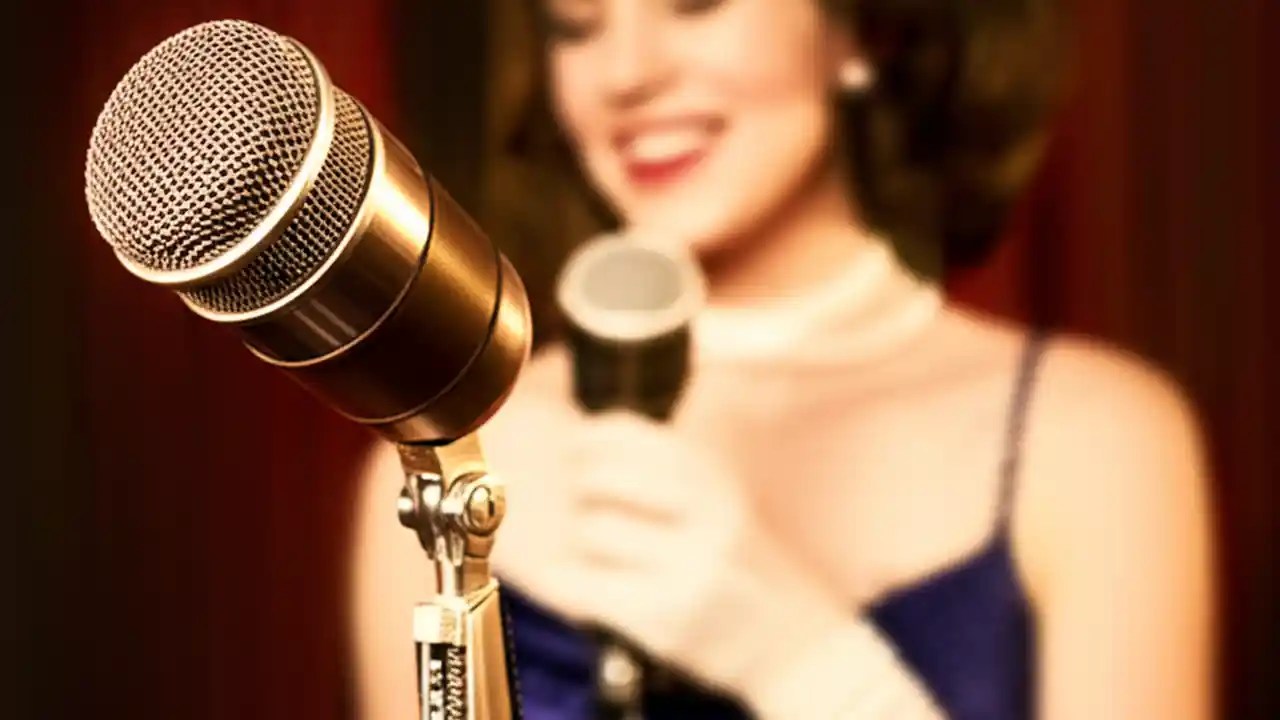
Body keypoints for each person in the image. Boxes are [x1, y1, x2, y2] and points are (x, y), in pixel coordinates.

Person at [351, 1, 1214, 718]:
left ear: (858, 31)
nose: (626, 75)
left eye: (694, 2)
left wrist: (793, 652)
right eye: (577, 25)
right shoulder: (451, 454)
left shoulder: (1097, 441)